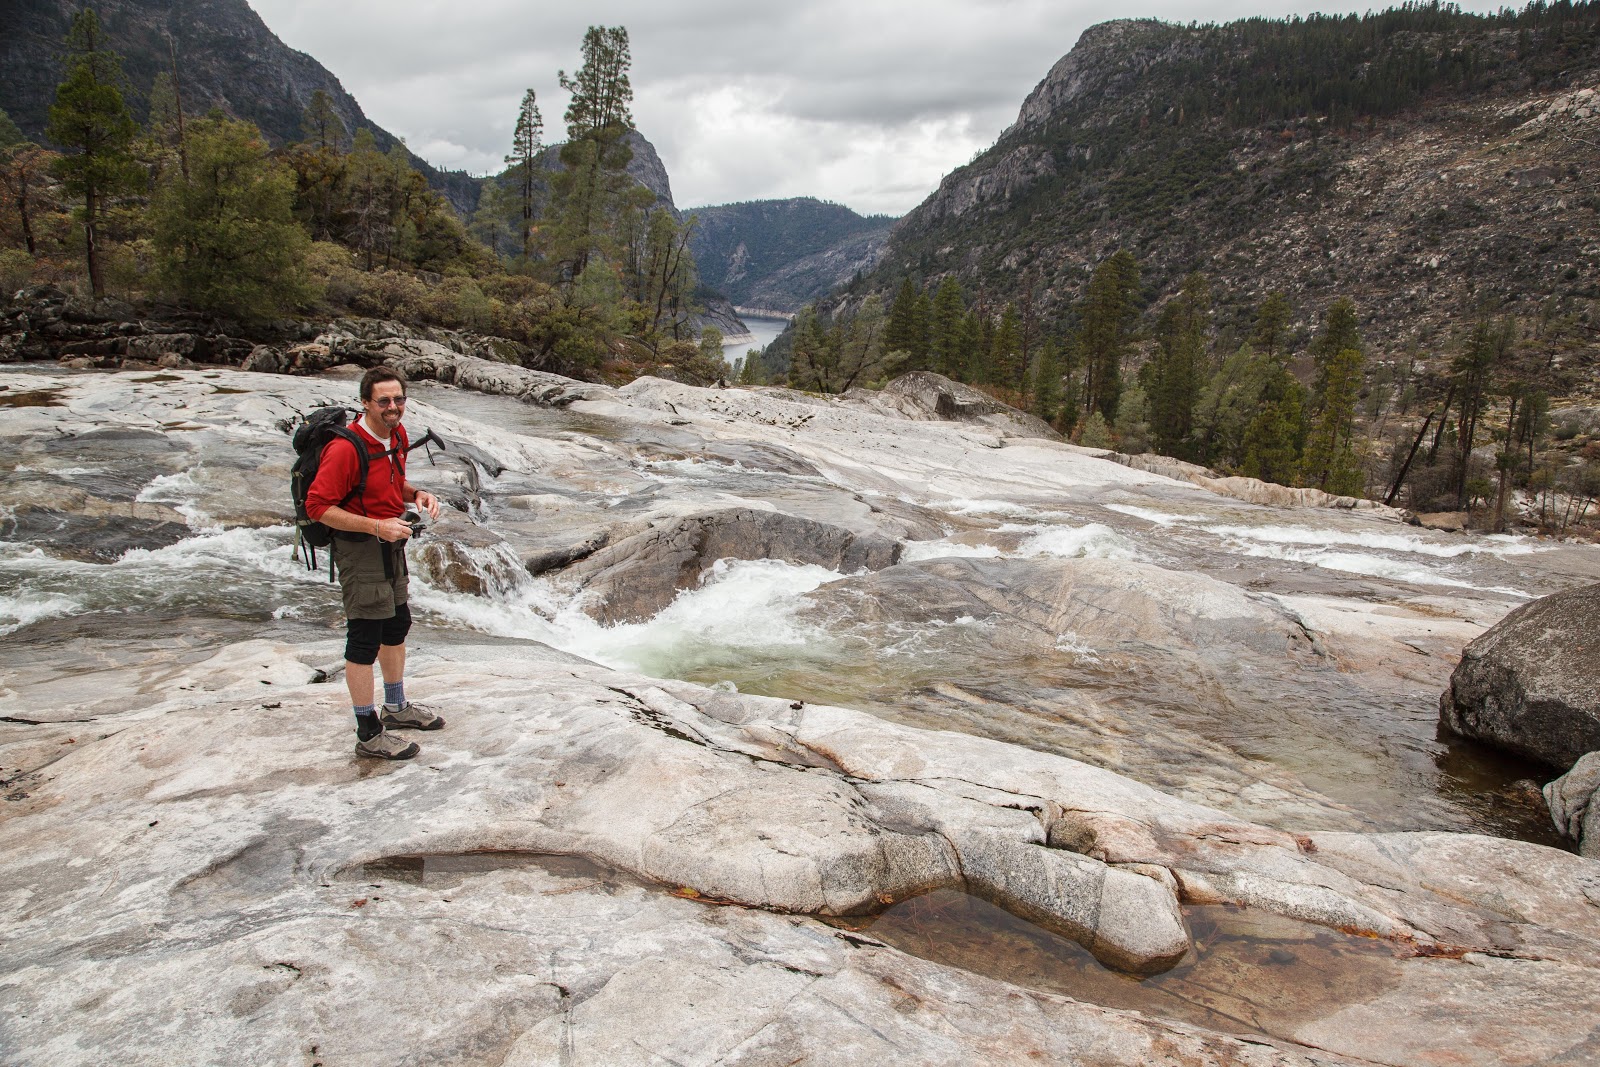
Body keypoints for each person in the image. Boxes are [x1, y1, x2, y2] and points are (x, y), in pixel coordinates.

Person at [305, 367, 444, 759]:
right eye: (383, 401)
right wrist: (376, 526)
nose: (392, 407)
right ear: (366, 402)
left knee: (396, 626)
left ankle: (396, 707)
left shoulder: (396, 435)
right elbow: (317, 506)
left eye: (398, 399)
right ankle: (368, 734)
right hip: (360, 548)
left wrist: (416, 494)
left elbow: (389, 482)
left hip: (390, 541)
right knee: (364, 639)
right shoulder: (345, 449)